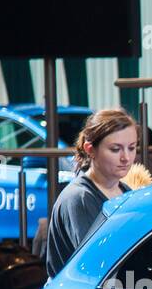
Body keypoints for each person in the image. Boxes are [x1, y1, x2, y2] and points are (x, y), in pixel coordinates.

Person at [44, 108, 137, 278]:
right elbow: (95, 263)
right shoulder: (79, 198)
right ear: (90, 149)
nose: (126, 158)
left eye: (131, 148)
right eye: (116, 149)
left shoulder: (126, 192)